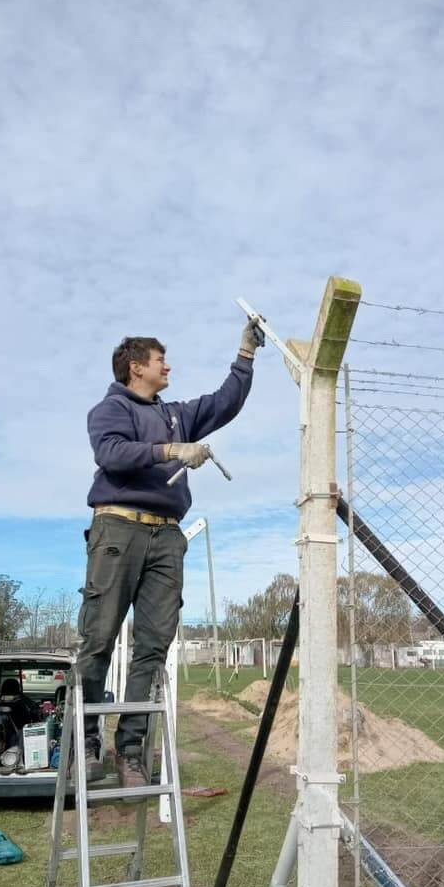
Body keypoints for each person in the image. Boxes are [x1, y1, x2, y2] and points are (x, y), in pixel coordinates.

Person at [78, 322, 262, 786]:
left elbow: (225, 403)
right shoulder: (109, 409)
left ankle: (131, 751)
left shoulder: (176, 413)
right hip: (118, 528)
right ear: (136, 367)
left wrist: (245, 353)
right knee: (99, 639)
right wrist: (171, 451)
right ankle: (85, 741)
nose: (169, 366)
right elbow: (113, 454)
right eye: (161, 360)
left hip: (166, 537)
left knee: (153, 646)